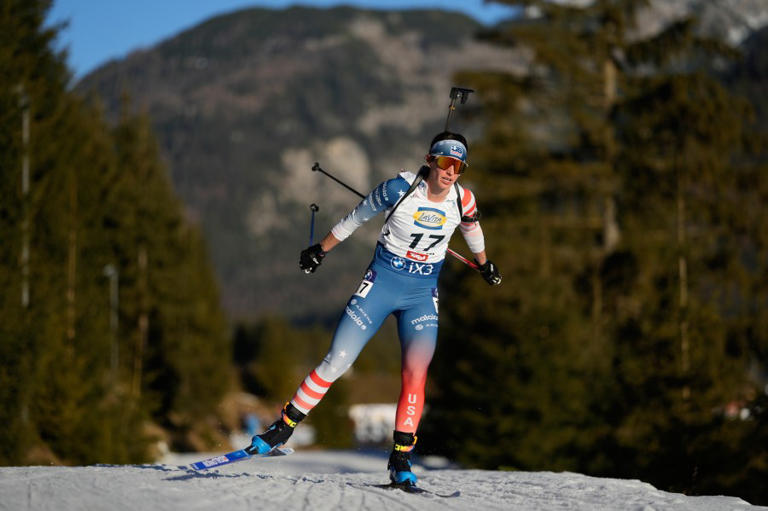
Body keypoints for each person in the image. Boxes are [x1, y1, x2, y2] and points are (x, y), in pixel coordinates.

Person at [247, 131, 501, 486]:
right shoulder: (399, 189)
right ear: (430, 161)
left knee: (416, 373)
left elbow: (473, 230)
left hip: (421, 294)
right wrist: (320, 250)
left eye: (458, 166)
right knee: (338, 359)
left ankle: (400, 459)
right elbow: (355, 219)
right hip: (382, 284)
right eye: (445, 162)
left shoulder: (463, 200)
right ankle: (283, 428)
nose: (450, 172)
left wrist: (484, 263)